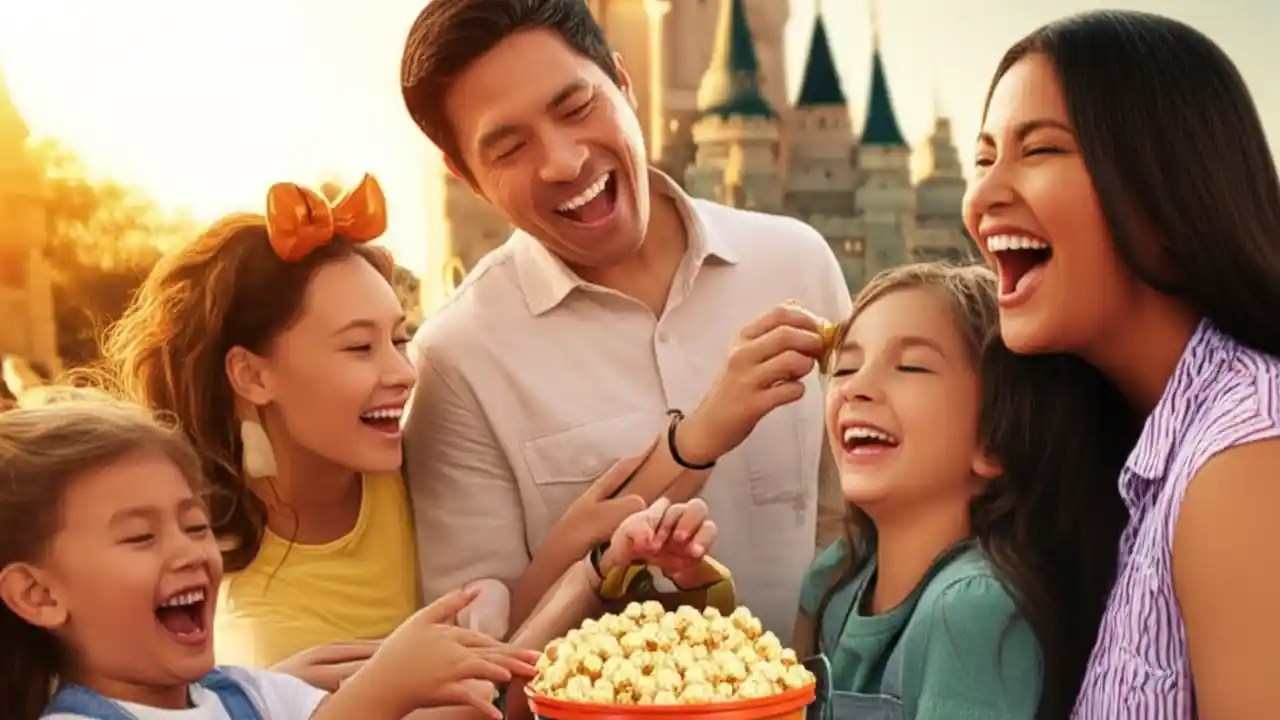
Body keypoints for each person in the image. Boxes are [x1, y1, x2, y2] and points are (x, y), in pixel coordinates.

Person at [398, 0, 851, 642]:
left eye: (576, 107)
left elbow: (853, 525)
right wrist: (691, 443)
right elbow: (478, 652)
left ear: (624, 82)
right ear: (466, 178)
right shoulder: (455, 359)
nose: (562, 161)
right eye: (508, 146)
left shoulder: (796, 261)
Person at [965, 10, 1280, 717]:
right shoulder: (1133, 443)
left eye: (1039, 151)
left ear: (1168, 190)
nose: (982, 197)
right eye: (983, 159)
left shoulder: (1245, 456)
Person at [0, 398, 542, 720]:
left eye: (195, 525)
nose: (189, 551)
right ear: (39, 595)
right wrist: (383, 689)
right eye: (141, 537)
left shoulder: (253, 693)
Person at [101, 176, 419, 688]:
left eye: (400, 339)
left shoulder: (424, 460)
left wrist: (578, 554)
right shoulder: (204, 576)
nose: (405, 373)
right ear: (252, 375)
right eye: (360, 347)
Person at [796, 263, 1129, 719]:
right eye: (846, 367)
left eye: (910, 366)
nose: (856, 387)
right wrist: (704, 591)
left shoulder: (973, 610)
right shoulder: (836, 578)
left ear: (995, 438)